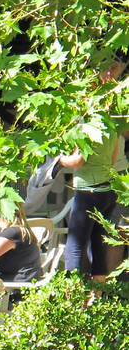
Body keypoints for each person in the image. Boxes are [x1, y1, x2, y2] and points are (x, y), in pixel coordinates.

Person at [57, 55, 128, 279]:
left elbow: (78, 161)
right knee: (98, 242)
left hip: (88, 189)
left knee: (76, 244)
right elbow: (116, 153)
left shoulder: (87, 120)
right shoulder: (112, 117)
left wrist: (60, 159)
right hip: (108, 188)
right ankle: (97, 297)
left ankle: (73, 298)